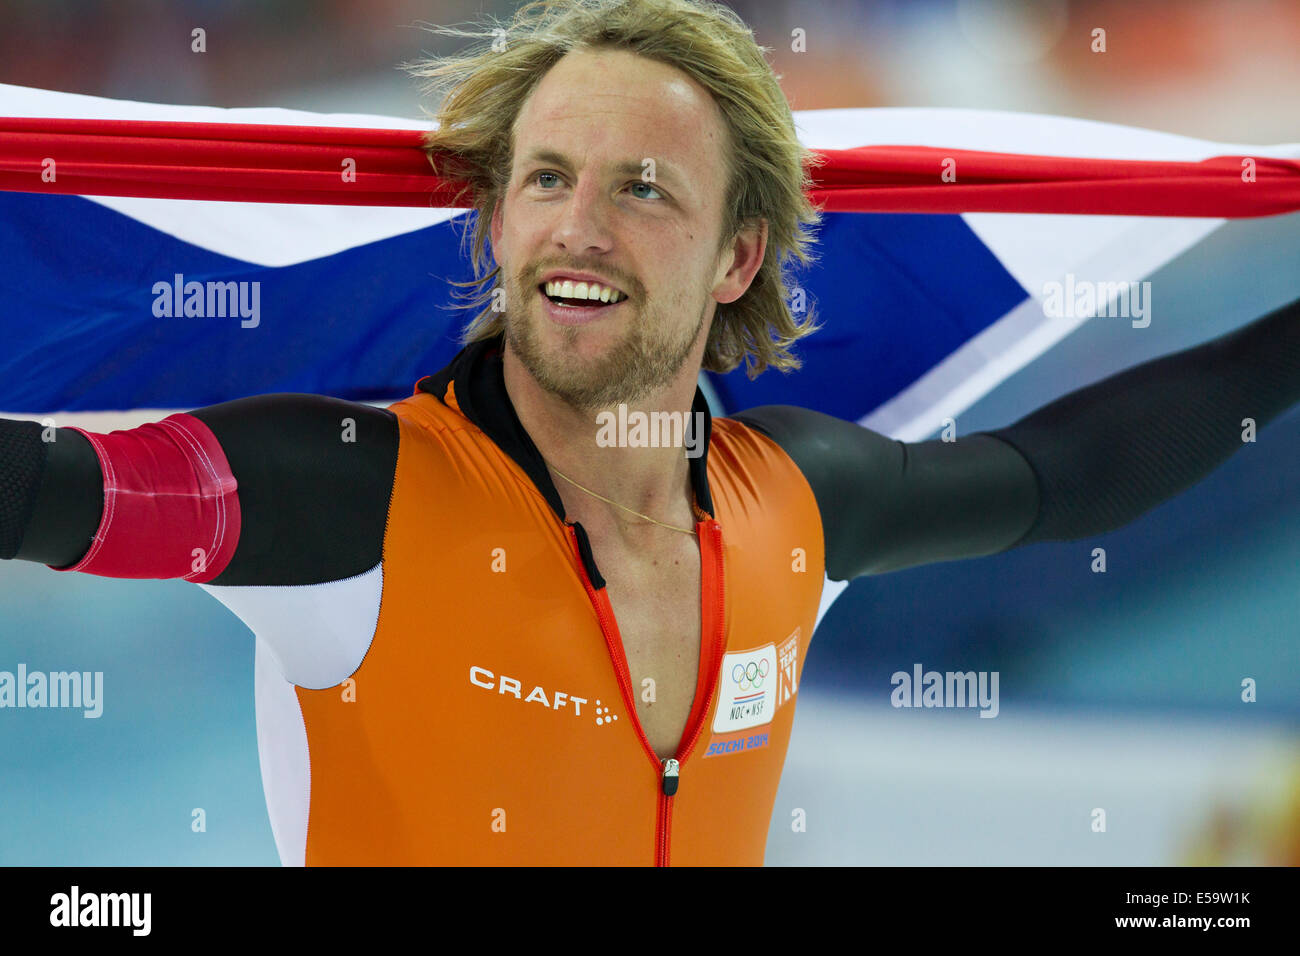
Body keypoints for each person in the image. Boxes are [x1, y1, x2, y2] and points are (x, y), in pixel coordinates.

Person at [1, 0, 1297, 865]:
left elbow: (1067, 477)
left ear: (739, 256)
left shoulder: (796, 497)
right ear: (497, 225)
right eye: (548, 178)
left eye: (644, 188)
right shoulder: (344, 494)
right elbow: (48, 492)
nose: (581, 226)